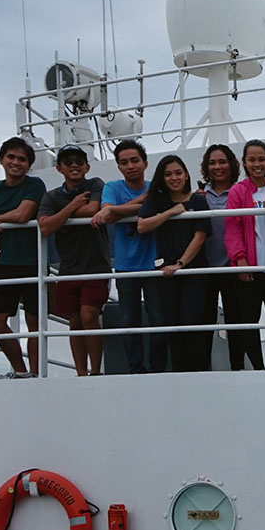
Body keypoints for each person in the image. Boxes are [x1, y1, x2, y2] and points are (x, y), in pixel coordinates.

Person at [136, 155, 211, 372]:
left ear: (186, 175)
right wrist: (171, 212)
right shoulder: (157, 201)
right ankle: (180, 372)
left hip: (193, 270)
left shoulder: (198, 201)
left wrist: (180, 263)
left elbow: (200, 236)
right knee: (172, 323)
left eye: (178, 173)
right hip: (165, 272)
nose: (174, 178)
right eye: (168, 174)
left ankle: (199, 371)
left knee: (191, 320)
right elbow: (142, 226)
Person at [37, 144, 108, 377]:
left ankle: (95, 373)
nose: (74, 165)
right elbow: (44, 227)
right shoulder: (51, 196)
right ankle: (81, 374)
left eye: (79, 161)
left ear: (87, 166)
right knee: (75, 321)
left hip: (96, 266)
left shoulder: (95, 184)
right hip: (68, 269)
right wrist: (73, 206)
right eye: (68, 162)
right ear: (59, 168)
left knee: (89, 315)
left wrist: (60, 215)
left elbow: (93, 210)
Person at [91, 140, 157, 373]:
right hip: (125, 265)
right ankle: (135, 369)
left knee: (159, 319)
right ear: (118, 166)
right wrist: (143, 200)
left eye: (134, 161)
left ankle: (157, 368)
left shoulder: (156, 188)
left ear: (145, 163)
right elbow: (106, 216)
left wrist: (114, 209)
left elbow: (111, 212)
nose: (130, 166)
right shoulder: (112, 187)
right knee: (129, 320)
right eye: (124, 162)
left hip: (154, 264)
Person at [224, 140, 265, 371]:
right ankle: (259, 369)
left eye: (261, 159)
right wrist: (240, 258)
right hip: (250, 268)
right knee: (249, 321)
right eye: (252, 160)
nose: (257, 164)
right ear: (245, 163)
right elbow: (232, 226)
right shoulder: (238, 191)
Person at [0, 137, 46, 377]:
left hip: (33, 262)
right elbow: (15, 214)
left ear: (29, 165)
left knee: (35, 324)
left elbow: (23, 214)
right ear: (1, 159)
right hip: (3, 262)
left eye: (22, 159)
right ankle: (21, 372)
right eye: (11, 157)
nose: (16, 162)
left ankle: (35, 374)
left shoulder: (34, 184)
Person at [198, 144, 240, 370]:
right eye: (212, 163)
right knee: (204, 321)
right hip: (206, 267)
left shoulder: (240, 192)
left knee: (236, 321)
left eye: (222, 162)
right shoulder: (199, 196)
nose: (217, 167)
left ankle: (237, 370)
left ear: (231, 164)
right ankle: (204, 370)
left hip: (233, 266)